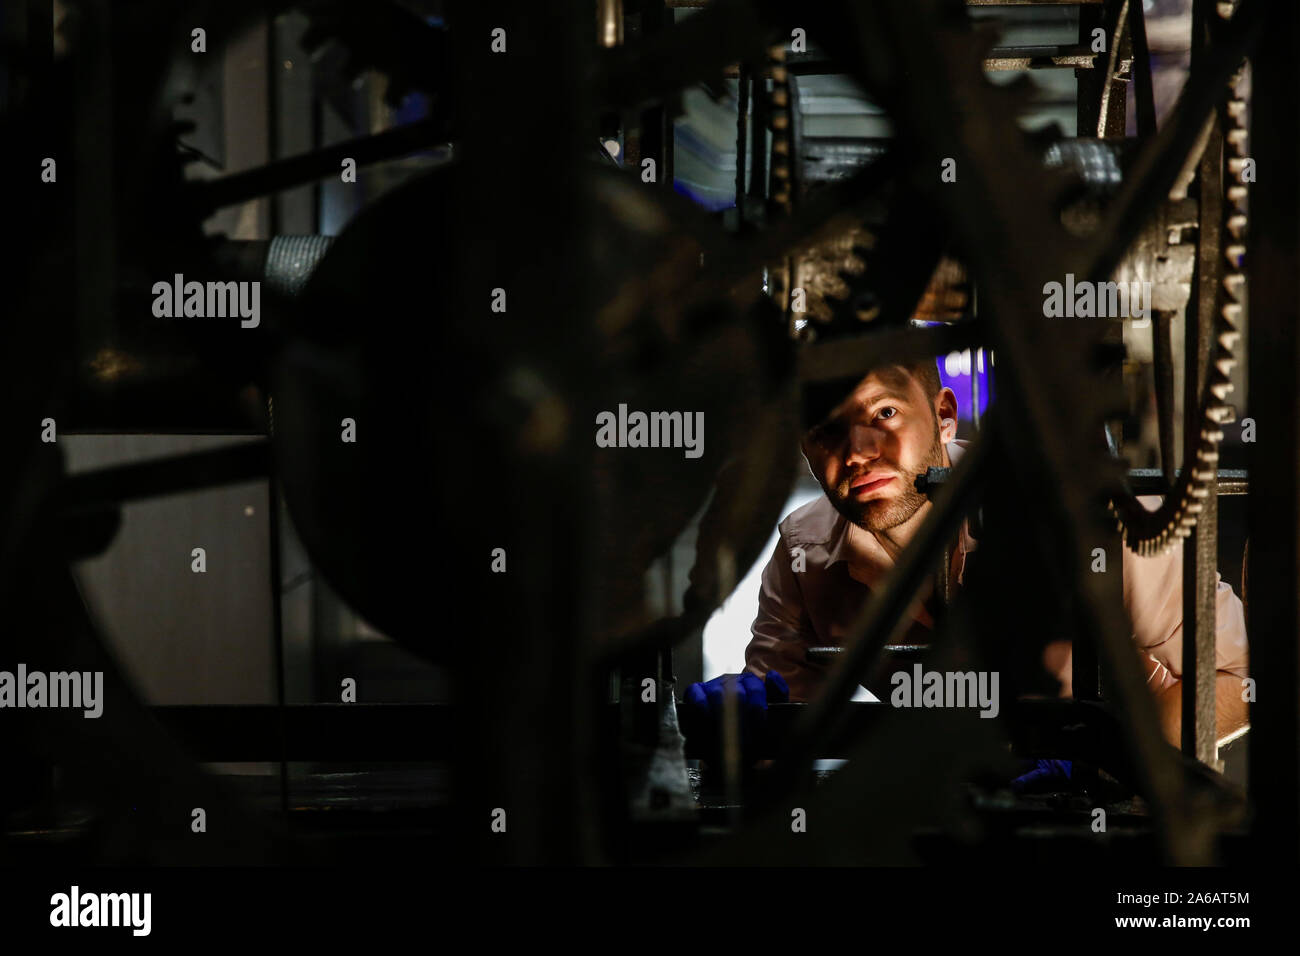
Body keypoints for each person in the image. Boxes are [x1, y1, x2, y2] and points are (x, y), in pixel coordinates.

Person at [682, 355, 1251, 773]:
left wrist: (1099, 754)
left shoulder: (1092, 521)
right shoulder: (804, 552)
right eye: (825, 431)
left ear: (945, 415)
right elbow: (779, 731)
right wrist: (743, 722)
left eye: (884, 412)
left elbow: (1240, 678)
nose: (856, 451)